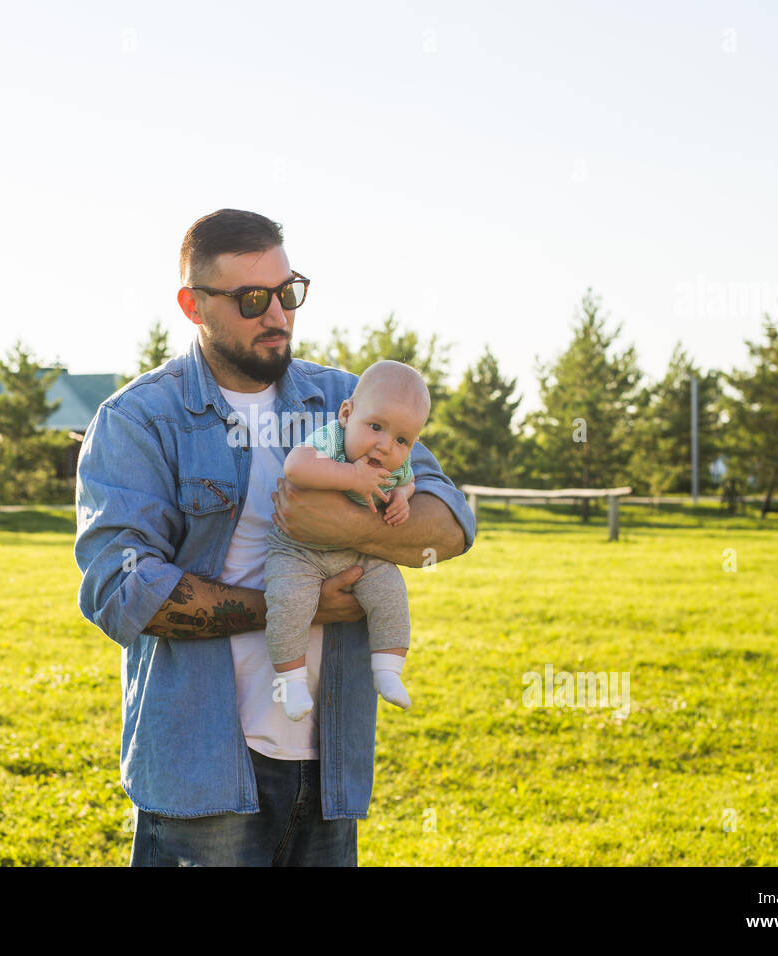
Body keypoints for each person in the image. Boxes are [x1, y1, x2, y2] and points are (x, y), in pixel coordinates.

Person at [74, 209, 475, 867]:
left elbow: (452, 522)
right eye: (253, 299)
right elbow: (122, 591)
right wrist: (295, 605)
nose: (279, 315)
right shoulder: (138, 420)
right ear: (193, 306)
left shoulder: (347, 399)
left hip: (328, 764)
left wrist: (343, 526)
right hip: (200, 771)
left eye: (288, 292)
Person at [265, 360, 432, 720]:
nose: (385, 446)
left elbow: (408, 481)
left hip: (358, 553)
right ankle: (292, 682)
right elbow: (296, 466)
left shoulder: (396, 463)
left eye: (402, 440)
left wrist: (402, 497)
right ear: (346, 414)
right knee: (289, 602)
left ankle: (388, 670)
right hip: (298, 550)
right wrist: (352, 477)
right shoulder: (332, 439)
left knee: (391, 592)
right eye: (376, 427)